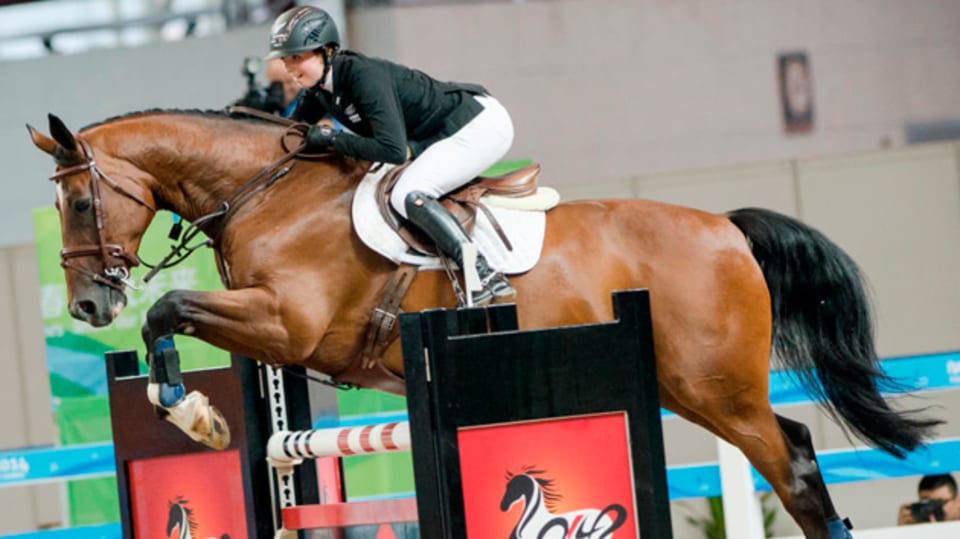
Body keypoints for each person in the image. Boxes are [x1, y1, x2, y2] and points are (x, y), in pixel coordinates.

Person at [265, 5, 516, 305]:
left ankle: (484, 273)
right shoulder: (320, 88)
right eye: (285, 59)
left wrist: (333, 139)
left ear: (326, 51)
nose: (289, 68)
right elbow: (288, 132)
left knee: (408, 193)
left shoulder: (362, 76)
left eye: (297, 57)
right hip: (438, 135)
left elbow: (393, 150)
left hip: (477, 125)